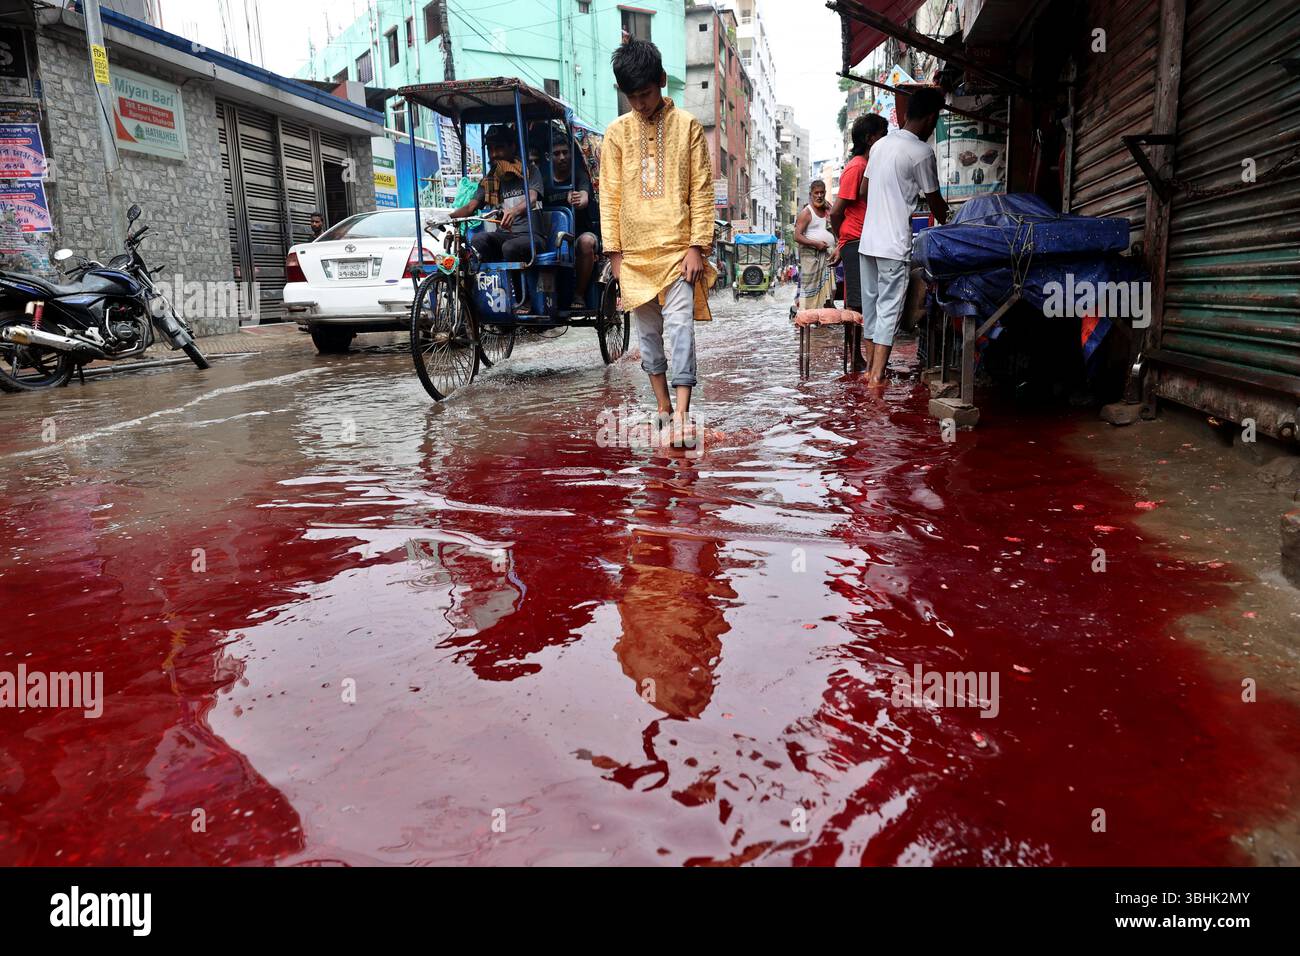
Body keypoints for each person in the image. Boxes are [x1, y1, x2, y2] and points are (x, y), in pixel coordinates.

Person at [601, 37, 716, 446]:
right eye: (632, 97)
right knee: (647, 337)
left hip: (677, 251)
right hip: (633, 256)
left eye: (646, 94)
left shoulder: (687, 128)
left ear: (662, 81)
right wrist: (615, 257)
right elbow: (609, 195)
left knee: (681, 327)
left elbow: (701, 190)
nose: (641, 103)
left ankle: (683, 412)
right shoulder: (614, 134)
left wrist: (696, 246)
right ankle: (663, 406)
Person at [859, 87, 949, 387]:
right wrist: (953, 222)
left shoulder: (880, 145)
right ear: (931, 118)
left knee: (872, 309)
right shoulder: (922, 152)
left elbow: (864, 190)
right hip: (893, 244)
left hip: (867, 242)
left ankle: (868, 370)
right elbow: (936, 202)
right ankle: (876, 377)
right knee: (888, 312)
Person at [830, 113, 888, 371]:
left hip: (862, 239)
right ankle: (856, 358)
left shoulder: (866, 165)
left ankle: (861, 357)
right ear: (869, 138)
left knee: (865, 300)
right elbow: (836, 211)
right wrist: (841, 242)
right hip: (854, 239)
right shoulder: (857, 167)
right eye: (881, 135)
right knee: (856, 301)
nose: (884, 140)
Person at [447, 123, 542, 268]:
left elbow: (532, 198)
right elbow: (471, 207)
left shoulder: (529, 171)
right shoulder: (492, 179)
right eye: (490, 149)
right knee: (478, 240)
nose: (493, 154)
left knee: (510, 247)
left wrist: (513, 211)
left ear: (512, 147)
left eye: (498, 148)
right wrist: (446, 218)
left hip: (530, 235)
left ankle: (516, 290)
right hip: (504, 236)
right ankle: (490, 283)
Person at [544, 129, 600, 307]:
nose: (562, 157)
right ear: (548, 157)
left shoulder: (579, 175)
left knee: (586, 243)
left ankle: (579, 295)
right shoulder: (544, 181)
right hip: (551, 237)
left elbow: (584, 196)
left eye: (565, 152)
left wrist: (577, 199)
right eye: (556, 154)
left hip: (579, 234)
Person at [794, 181, 839, 311]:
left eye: (822, 193)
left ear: (825, 193)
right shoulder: (806, 212)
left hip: (828, 257)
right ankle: (809, 320)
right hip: (812, 258)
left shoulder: (828, 210)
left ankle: (824, 321)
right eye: (816, 193)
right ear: (811, 195)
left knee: (831, 289)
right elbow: (797, 236)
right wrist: (816, 244)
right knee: (810, 291)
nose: (819, 195)